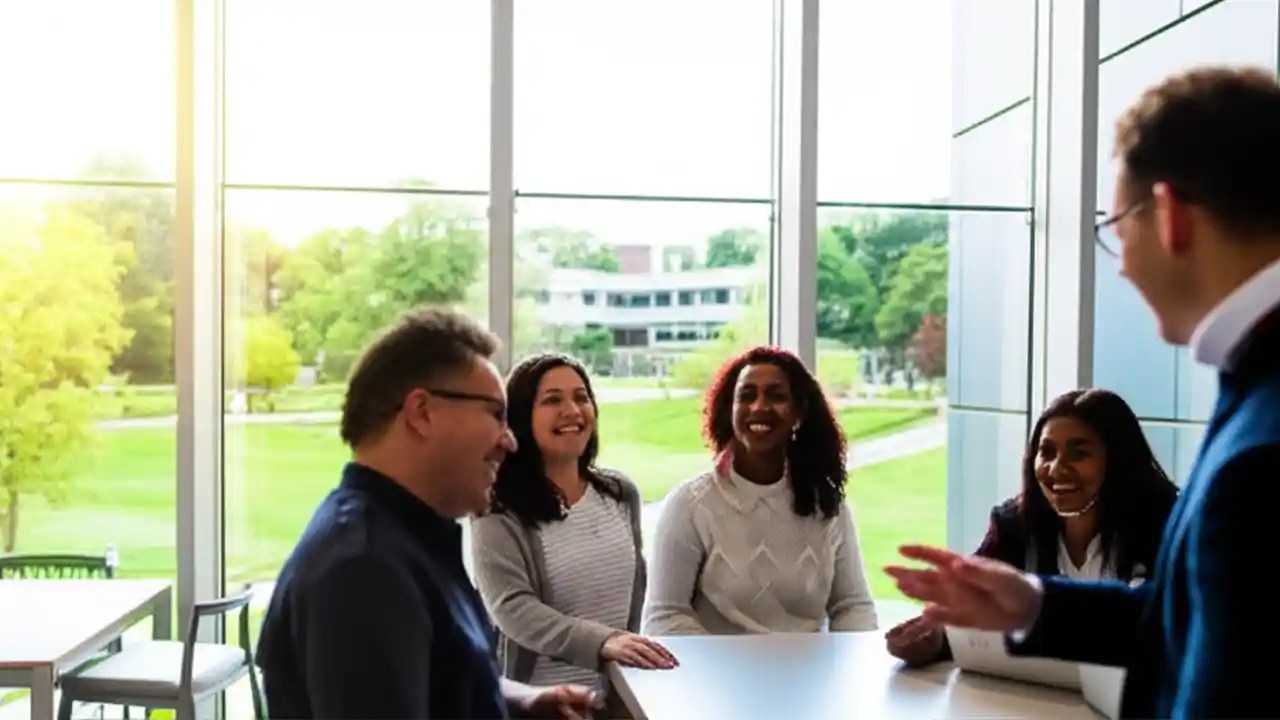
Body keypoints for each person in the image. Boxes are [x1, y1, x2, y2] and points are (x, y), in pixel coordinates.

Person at [886, 66, 1280, 718]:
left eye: (1116, 226)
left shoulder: (1260, 450)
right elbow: (1184, 621)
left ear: (1172, 217)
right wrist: (1033, 603)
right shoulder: (1253, 383)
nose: (1120, 261)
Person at [256, 309, 595, 719]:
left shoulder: (407, 538)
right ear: (421, 412)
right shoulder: (363, 571)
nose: (510, 441)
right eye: (495, 415)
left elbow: (432, 677)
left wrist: (526, 702)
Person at [886, 388, 1178, 666]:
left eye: (1079, 453)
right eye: (1047, 452)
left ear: (1118, 460)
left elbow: (1169, 629)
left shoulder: (1166, 524)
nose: (1055, 468)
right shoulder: (1014, 524)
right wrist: (935, 638)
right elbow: (977, 606)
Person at [471, 353, 677, 699]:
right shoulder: (496, 507)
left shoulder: (620, 493)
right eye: (552, 400)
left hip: (613, 700)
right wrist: (603, 642)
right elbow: (512, 608)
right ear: (521, 417)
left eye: (581, 397)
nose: (572, 410)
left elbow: (633, 599)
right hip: (538, 705)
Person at [644, 345, 878, 635]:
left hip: (810, 675)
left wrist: (849, 663)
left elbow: (852, 606)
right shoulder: (690, 505)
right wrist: (723, 671)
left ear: (798, 413)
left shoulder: (827, 505)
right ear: (730, 410)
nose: (759, 407)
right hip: (717, 676)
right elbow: (664, 616)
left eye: (777, 396)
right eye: (746, 395)